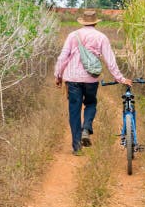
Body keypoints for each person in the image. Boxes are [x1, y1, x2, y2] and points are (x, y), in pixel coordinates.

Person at [54, 10, 132, 155]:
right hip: (91, 78)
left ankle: (77, 148)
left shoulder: (72, 35)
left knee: (74, 111)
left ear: (82, 22)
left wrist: (58, 75)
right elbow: (110, 60)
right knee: (91, 103)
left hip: (72, 78)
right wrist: (120, 78)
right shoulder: (101, 37)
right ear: (96, 22)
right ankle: (86, 128)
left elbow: (63, 57)